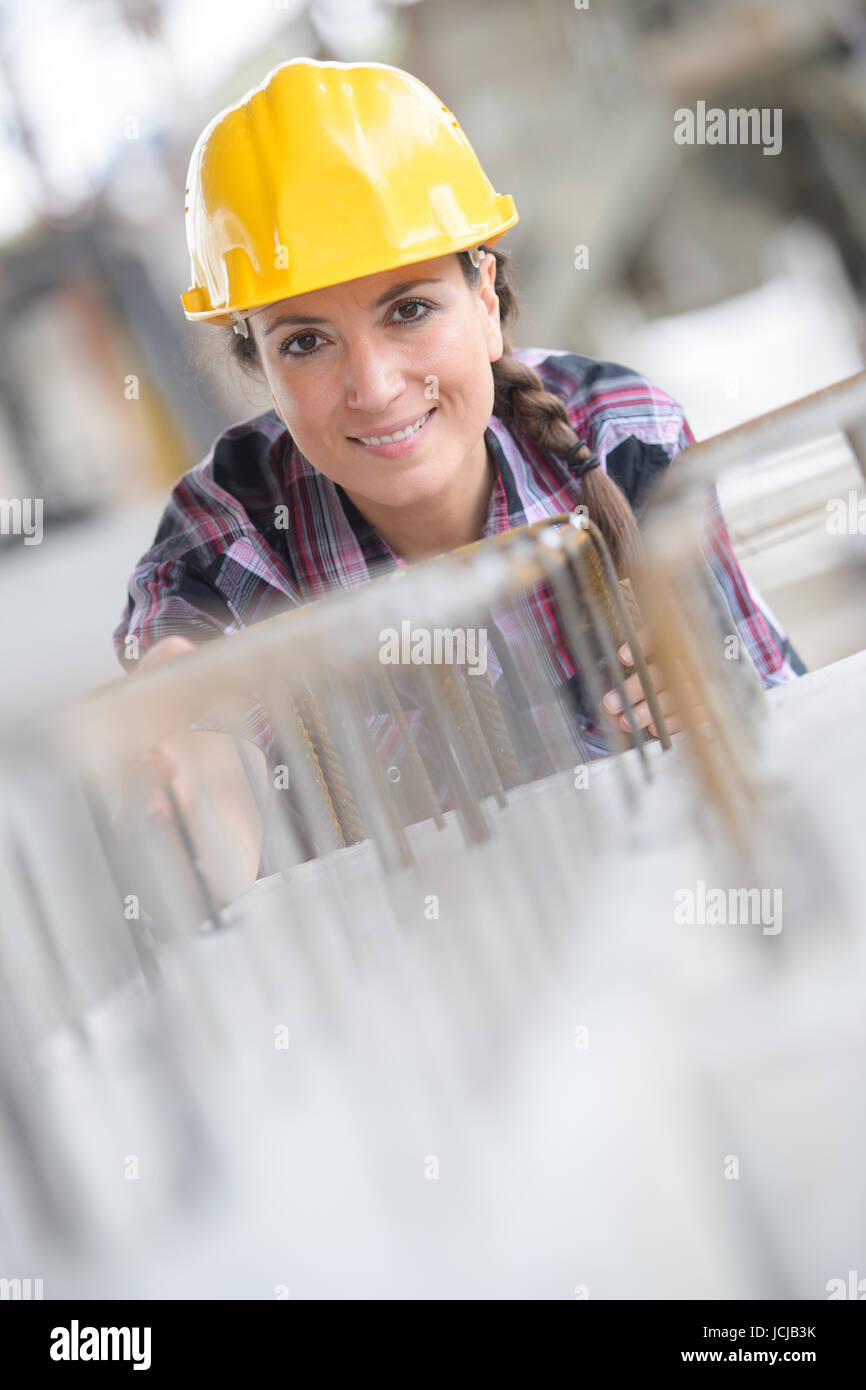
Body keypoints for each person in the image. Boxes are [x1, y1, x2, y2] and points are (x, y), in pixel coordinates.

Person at [112, 58, 805, 902]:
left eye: (409, 309)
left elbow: (776, 720)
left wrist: (707, 701)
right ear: (255, 363)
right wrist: (181, 770)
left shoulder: (620, 430)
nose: (373, 386)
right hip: (441, 994)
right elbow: (200, 750)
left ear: (485, 300)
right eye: (304, 342)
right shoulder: (231, 532)